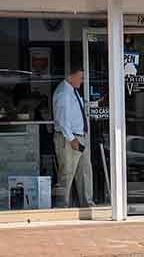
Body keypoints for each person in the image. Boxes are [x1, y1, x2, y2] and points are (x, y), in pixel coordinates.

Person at [52, 66, 93, 207]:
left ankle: (87, 203)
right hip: (69, 138)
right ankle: (61, 206)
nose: (82, 81)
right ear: (70, 77)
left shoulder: (73, 92)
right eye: (80, 77)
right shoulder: (64, 93)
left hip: (79, 136)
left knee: (84, 172)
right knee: (67, 174)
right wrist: (71, 139)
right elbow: (62, 119)